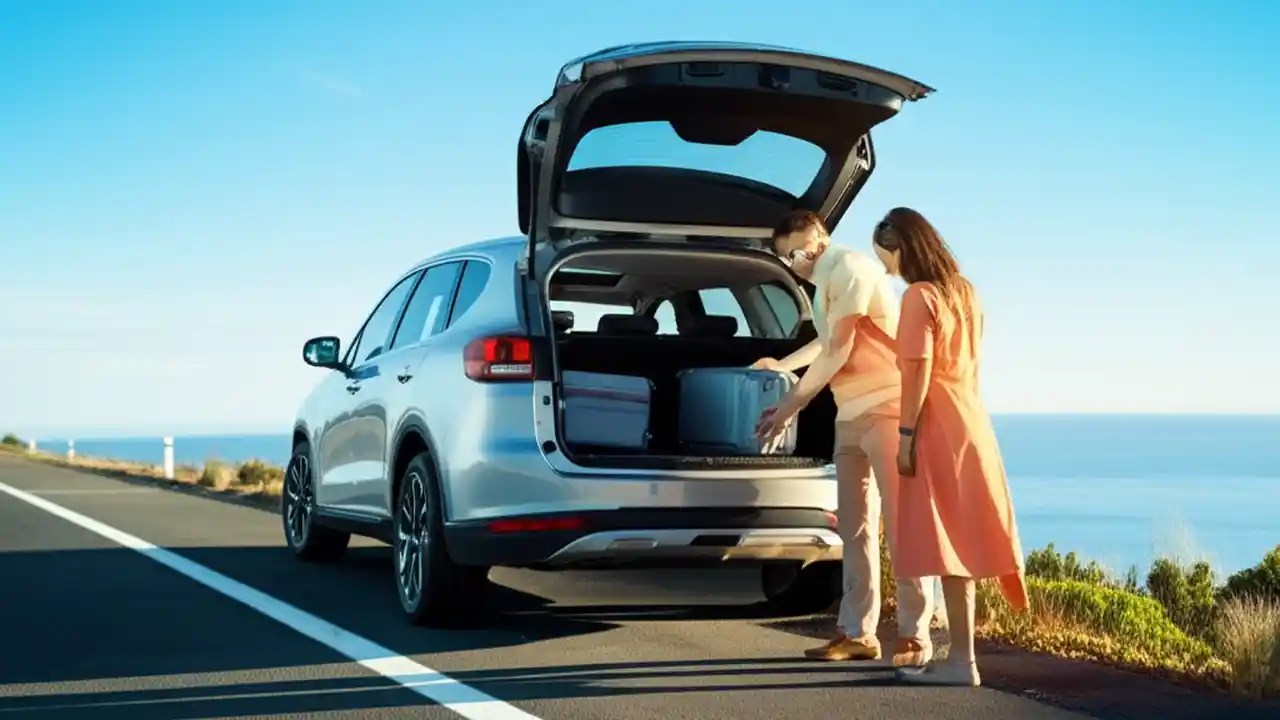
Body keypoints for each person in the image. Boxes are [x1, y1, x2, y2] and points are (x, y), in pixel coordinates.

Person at [753, 209, 935, 668]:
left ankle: (915, 637)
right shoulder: (822, 282)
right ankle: (858, 633)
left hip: (887, 410)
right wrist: (783, 366)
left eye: (795, 251)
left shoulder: (850, 268)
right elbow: (826, 341)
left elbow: (841, 347)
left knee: (901, 524)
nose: (794, 262)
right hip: (850, 414)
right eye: (785, 257)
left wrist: (789, 406)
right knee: (854, 529)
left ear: (818, 237)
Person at [869, 207, 1030, 687]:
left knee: (946, 542)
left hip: (937, 422)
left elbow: (917, 372)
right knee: (962, 537)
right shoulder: (966, 292)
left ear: (905, 250)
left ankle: (962, 662)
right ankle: (962, 656)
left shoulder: (919, 296)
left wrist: (905, 435)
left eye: (887, 258)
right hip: (972, 420)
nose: (885, 270)